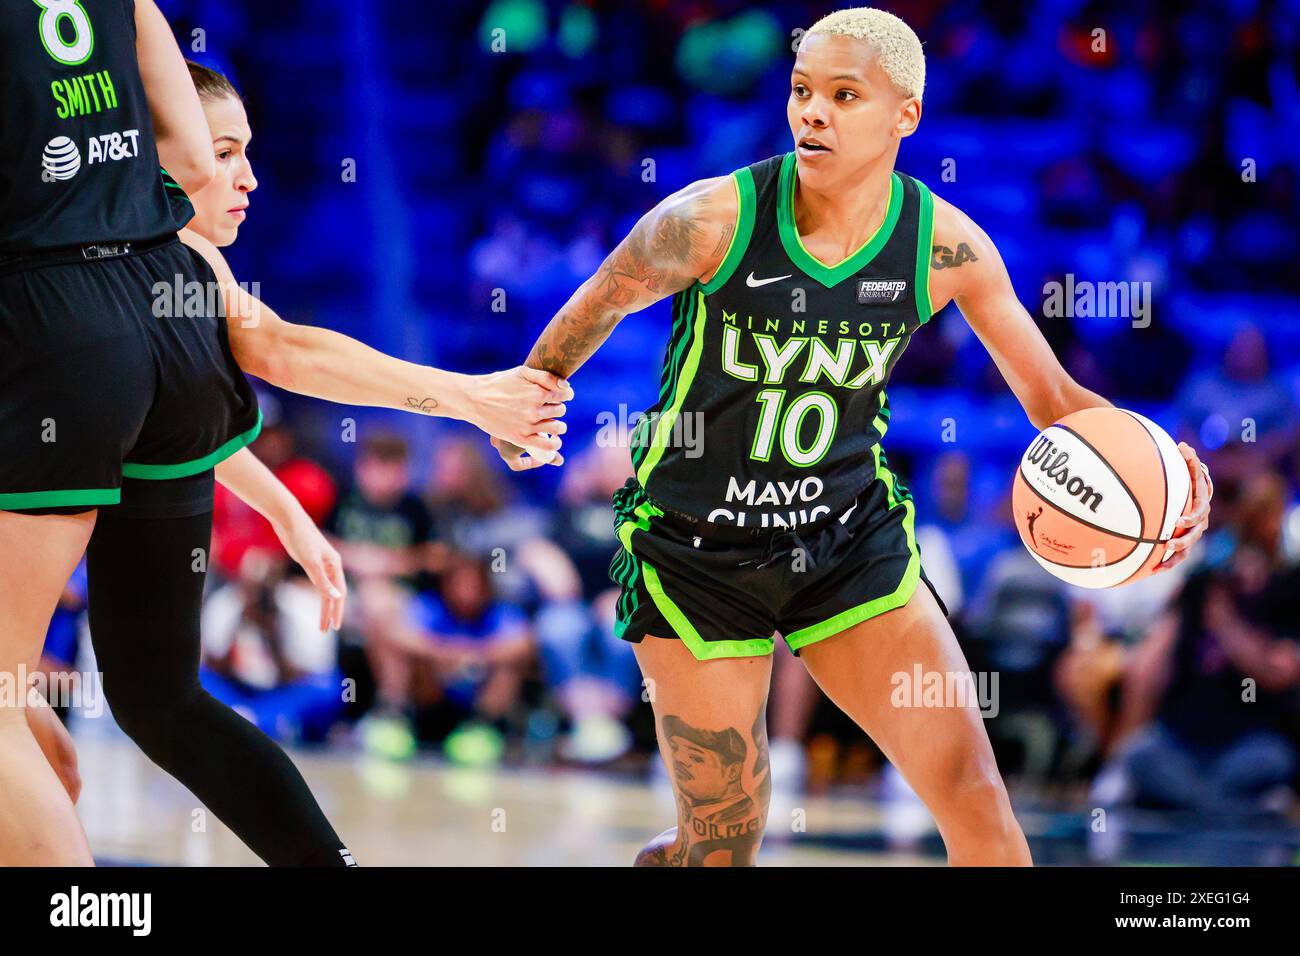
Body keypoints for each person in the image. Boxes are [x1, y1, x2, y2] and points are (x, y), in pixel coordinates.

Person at [493, 6, 1213, 866]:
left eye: (844, 94)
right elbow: (603, 296)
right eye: (802, 91)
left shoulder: (948, 248)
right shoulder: (709, 221)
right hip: (697, 552)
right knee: (720, 841)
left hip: (846, 541)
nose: (812, 113)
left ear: (906, 113)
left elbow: (1055, 398)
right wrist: (532, 394)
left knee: (975, 795)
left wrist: (1162, 475)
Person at [0, 3, 565, 867]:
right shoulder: (174, 252)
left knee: (21, 704)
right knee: (150, 698)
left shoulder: (137, 242)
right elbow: (236, 382)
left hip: (58, 341)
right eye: (222, 153)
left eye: (246, 152)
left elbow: (270, 354)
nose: (245, 177)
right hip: (124, 374)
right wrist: (294, 510)